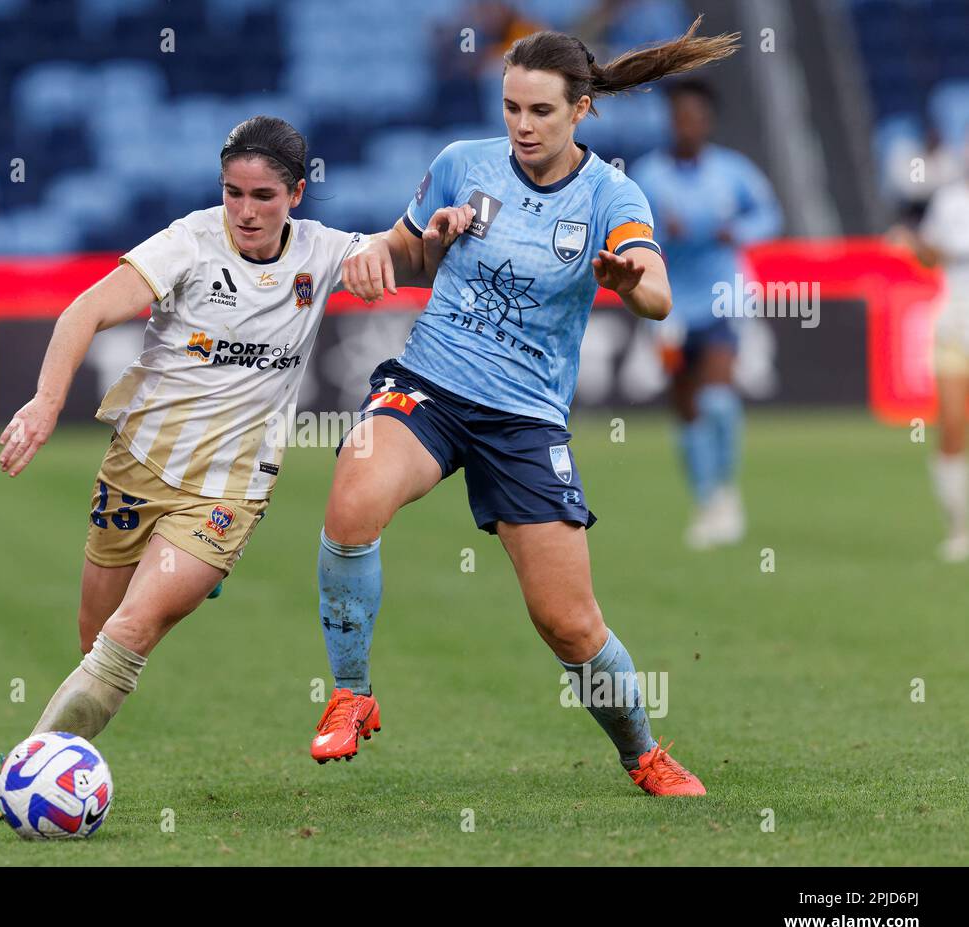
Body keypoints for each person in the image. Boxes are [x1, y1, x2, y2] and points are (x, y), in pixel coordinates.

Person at [0, 115, 454, 820]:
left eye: (263, 196)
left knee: (128, 636)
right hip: (136, 468)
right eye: (233, 194)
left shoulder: (325, 252)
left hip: (228, 489)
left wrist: (435, 238)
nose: (246, 211)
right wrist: (45, 405)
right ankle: (173, 579)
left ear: (296, 195)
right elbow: (83, 311)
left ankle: (20, 775)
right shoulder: (188, 244)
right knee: (93, 640)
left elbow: (414, 261)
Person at [309, 18, 739, 797]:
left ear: (581, 110)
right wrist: (384, 247)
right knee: (353, 494)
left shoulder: (613, 193)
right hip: (430, 385)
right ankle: (352, 694)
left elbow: (658, 291)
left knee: (568, 624)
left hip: (524, 419)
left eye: (540, 111)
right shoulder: (460, 166)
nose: (522, 126)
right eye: (511, 108)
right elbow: (408, 250)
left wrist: (626, 280)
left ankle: (642, 750)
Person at [631, 79, 782, 549]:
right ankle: (704, 501)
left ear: (708, 121)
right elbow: (628, 233)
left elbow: (769, 215)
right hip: (669, 305)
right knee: (686, 408)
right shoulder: (648, 176)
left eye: (696, 116)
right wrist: (661, 236)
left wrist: (735, 232)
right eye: (680, 117)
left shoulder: (732, 171)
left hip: (722, 298)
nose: (688, 125)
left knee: (718, 398)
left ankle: (726, 494)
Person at [891, 140, 969, 561]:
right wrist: (914, 243)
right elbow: (929, 257)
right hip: (957, 320)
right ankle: (959, 528)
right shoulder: (950, 200)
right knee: (953, 426)